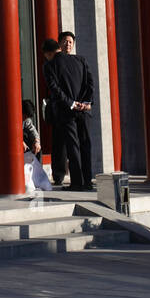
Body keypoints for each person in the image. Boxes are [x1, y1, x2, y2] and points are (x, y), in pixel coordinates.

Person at [42, 38, 94, 192]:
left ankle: (77, 182)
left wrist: (71, 103)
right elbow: (90, 83)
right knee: (86, 145)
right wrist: (86, 102)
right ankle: (88, 181)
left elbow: (55, 89)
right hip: (84, 110)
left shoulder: (49, 65)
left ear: (48, 53)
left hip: (67, 111)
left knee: (73, 146)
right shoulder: (80, 60)